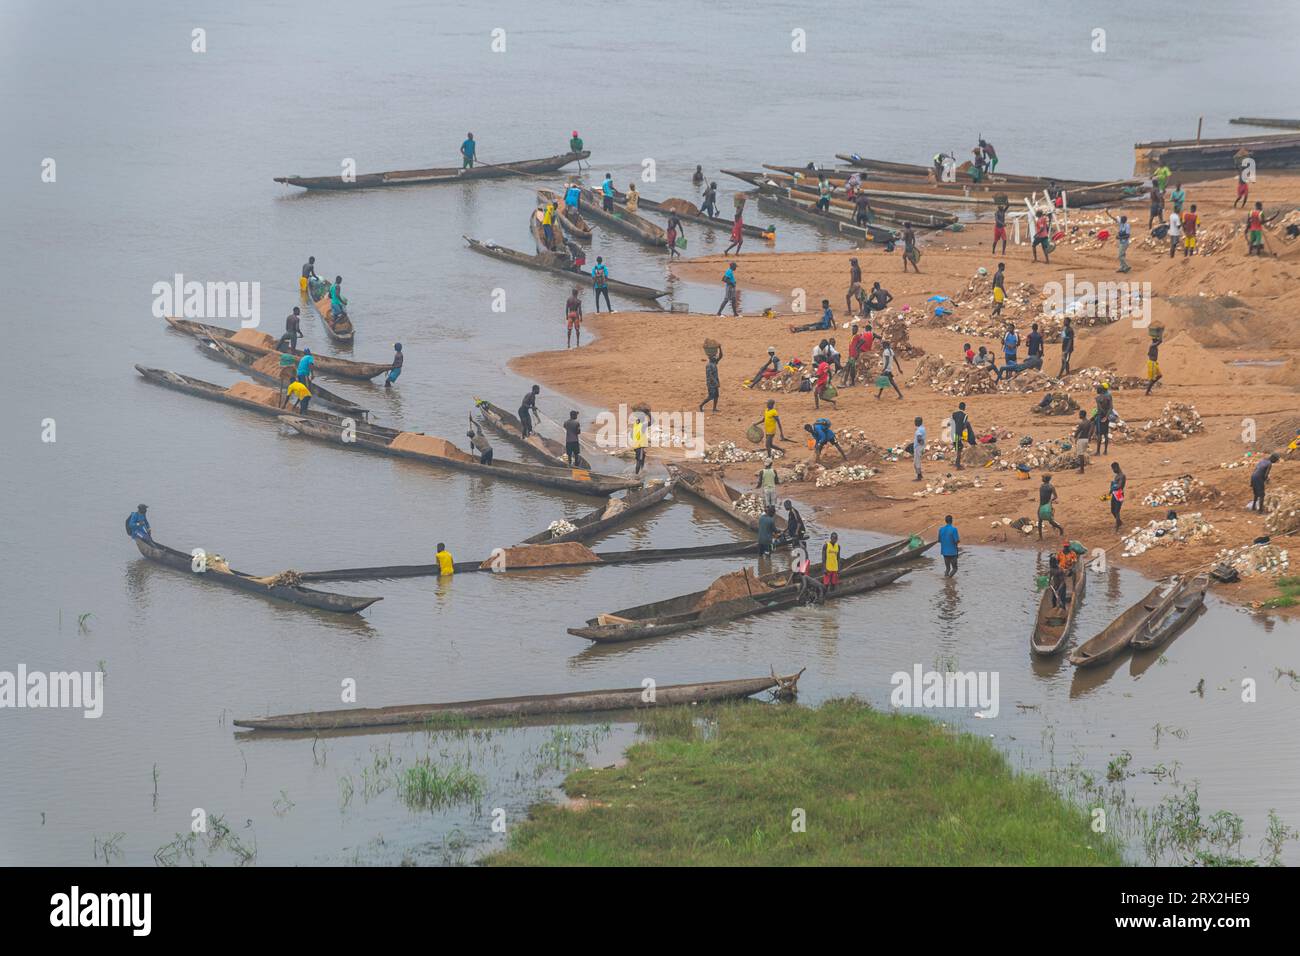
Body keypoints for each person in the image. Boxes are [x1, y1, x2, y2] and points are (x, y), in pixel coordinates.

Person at [1037, 474, 1063, 540]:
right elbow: (1055, 497)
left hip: (1045, 505)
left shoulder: (1045, 486)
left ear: (1045, 479)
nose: (1041, 479)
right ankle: (1040, 537)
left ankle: (1060, 528)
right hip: (1043, 505)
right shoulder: (1049, 486)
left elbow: (1055, 496)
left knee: (1049, 521)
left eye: (1043, 478)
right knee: (1040, 521)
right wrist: (1051, 500)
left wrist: (1050, 501)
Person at [1093, 384, 1114, 455]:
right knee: (1105, 434)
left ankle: (1098, 451)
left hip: (1100, 417)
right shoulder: (1109, 397)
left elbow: (1100, 409)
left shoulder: (1098, 398)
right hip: (1106, 417)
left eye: (1097, 389)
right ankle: (1105, 451)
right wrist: (1106, 416)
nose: (1096, 390)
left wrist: (1102, 416)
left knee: (1099, 434)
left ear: (1100, 390)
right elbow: (1111, 408)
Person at [700, 345, 722, 412]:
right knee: (711, 396)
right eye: (714, 357)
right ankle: (701, 405)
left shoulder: (714, 362)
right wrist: (716, 383)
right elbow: (710, 375)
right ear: (711, 358)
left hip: (715, 382)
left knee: (716, 396)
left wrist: (720, 348)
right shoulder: (709, 365)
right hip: (711, 383)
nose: (716, 357)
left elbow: (721, 356)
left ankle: (714, 409)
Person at [951, 401, 971, 469]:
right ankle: (958, 465)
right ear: (964, 408)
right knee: (959, 448)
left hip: (952, 433)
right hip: (958, 433)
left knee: (957, 447)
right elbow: (964, 425)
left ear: (958, 407)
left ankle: (956, 462)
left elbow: (951, 423)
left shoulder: (954, 414)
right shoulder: (965, 416)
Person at [1109, 461, 1126, 532]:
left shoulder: (1122, 476)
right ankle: (1119, 522)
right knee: (1113, 510)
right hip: (1114, 494)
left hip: (1119, 495)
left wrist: (1113, 486)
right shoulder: (1117, 476)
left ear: (1116, 467)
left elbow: (1120, 486)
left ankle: (1117, 528)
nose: (1113, 471)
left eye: (1113, 469)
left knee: (1117, 511)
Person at [912, 416, 926, 481]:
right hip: (920, 447)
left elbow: (919, 438)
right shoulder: (923, 428)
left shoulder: (918, 430)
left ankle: (919, 476)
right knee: (917, 461)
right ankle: (920, 474)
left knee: (916, 462)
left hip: (918, 447)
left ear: (917, 422)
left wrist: (920, 444)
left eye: (915, 421)